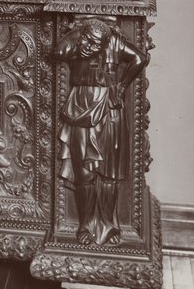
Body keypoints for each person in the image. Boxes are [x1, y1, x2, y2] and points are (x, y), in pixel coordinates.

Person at [55, 18, 148, 245]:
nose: (88, 46)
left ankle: (110, 226)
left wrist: (121, 86)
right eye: (86, 40)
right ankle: (86, 225)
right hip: (80, 104)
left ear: (105, 43)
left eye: (95, 44)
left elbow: (139, 58)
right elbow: (58, 52)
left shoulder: (114, 42)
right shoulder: (78, 41)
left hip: (108, 108)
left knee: (109, 174)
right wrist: (77, 32)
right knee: (84, 172)